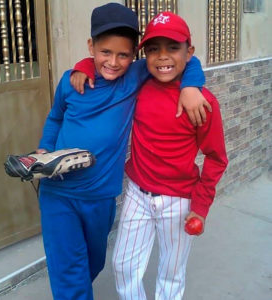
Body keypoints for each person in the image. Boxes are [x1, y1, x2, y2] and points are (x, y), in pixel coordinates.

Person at [38, 3, 208, 300]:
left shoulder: (133, 77)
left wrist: (192, 86)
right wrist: (45, 147)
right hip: (59, 192)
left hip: (100, 197)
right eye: (105, 52)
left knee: (93, 262)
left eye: (124, 54)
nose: (114, 62)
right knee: (68, 271)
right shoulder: (70, 81)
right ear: (91, 46)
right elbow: (55, 117)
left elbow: (182, 59)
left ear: (134, 56)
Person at [110, 12, 228, 300]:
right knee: (123, 265)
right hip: (138, 194)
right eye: (153, 49)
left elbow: (216, 157)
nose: (162, 57)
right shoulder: (138, 87)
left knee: (171, 272)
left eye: (173, 47)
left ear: (190, 52)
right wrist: (81, 67)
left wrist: (200, 206)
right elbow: (110, 60)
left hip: (178, 201)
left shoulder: (202, 102)